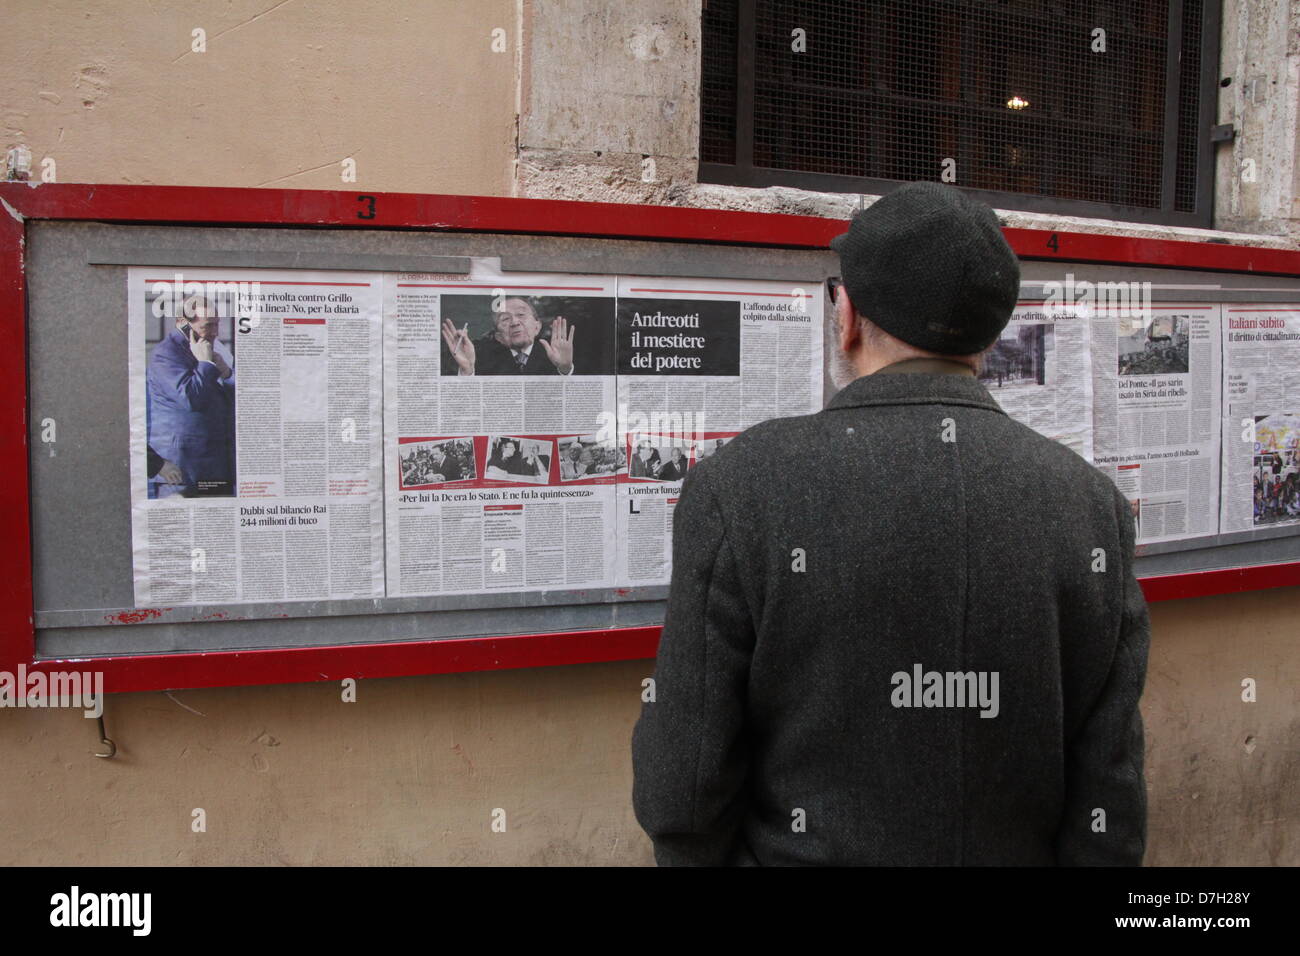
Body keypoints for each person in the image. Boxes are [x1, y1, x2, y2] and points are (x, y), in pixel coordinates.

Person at [632, 181, 1151, 866]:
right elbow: (1108, 806)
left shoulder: (741, 487)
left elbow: (685, 792)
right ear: (991, 336)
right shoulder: (1091, 506)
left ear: (846, 315)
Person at [146, 295, 236, 497]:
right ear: (183, 323)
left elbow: (226, 403)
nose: (214, 333)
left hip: (217, 467)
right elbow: (190, 398)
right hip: (185, 471)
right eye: (207, 325)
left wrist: (227, 375)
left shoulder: (211, 348)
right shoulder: (165, 354)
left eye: (217, 324)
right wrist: (205, 364)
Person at [441, 297, 575, 376]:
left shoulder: (556, 356)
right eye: (505, 319)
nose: (515, 322)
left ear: (537, 327)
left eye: (521, 315)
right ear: (499, 337)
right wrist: (467, 371)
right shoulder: (482, 361)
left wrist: (564, 368)